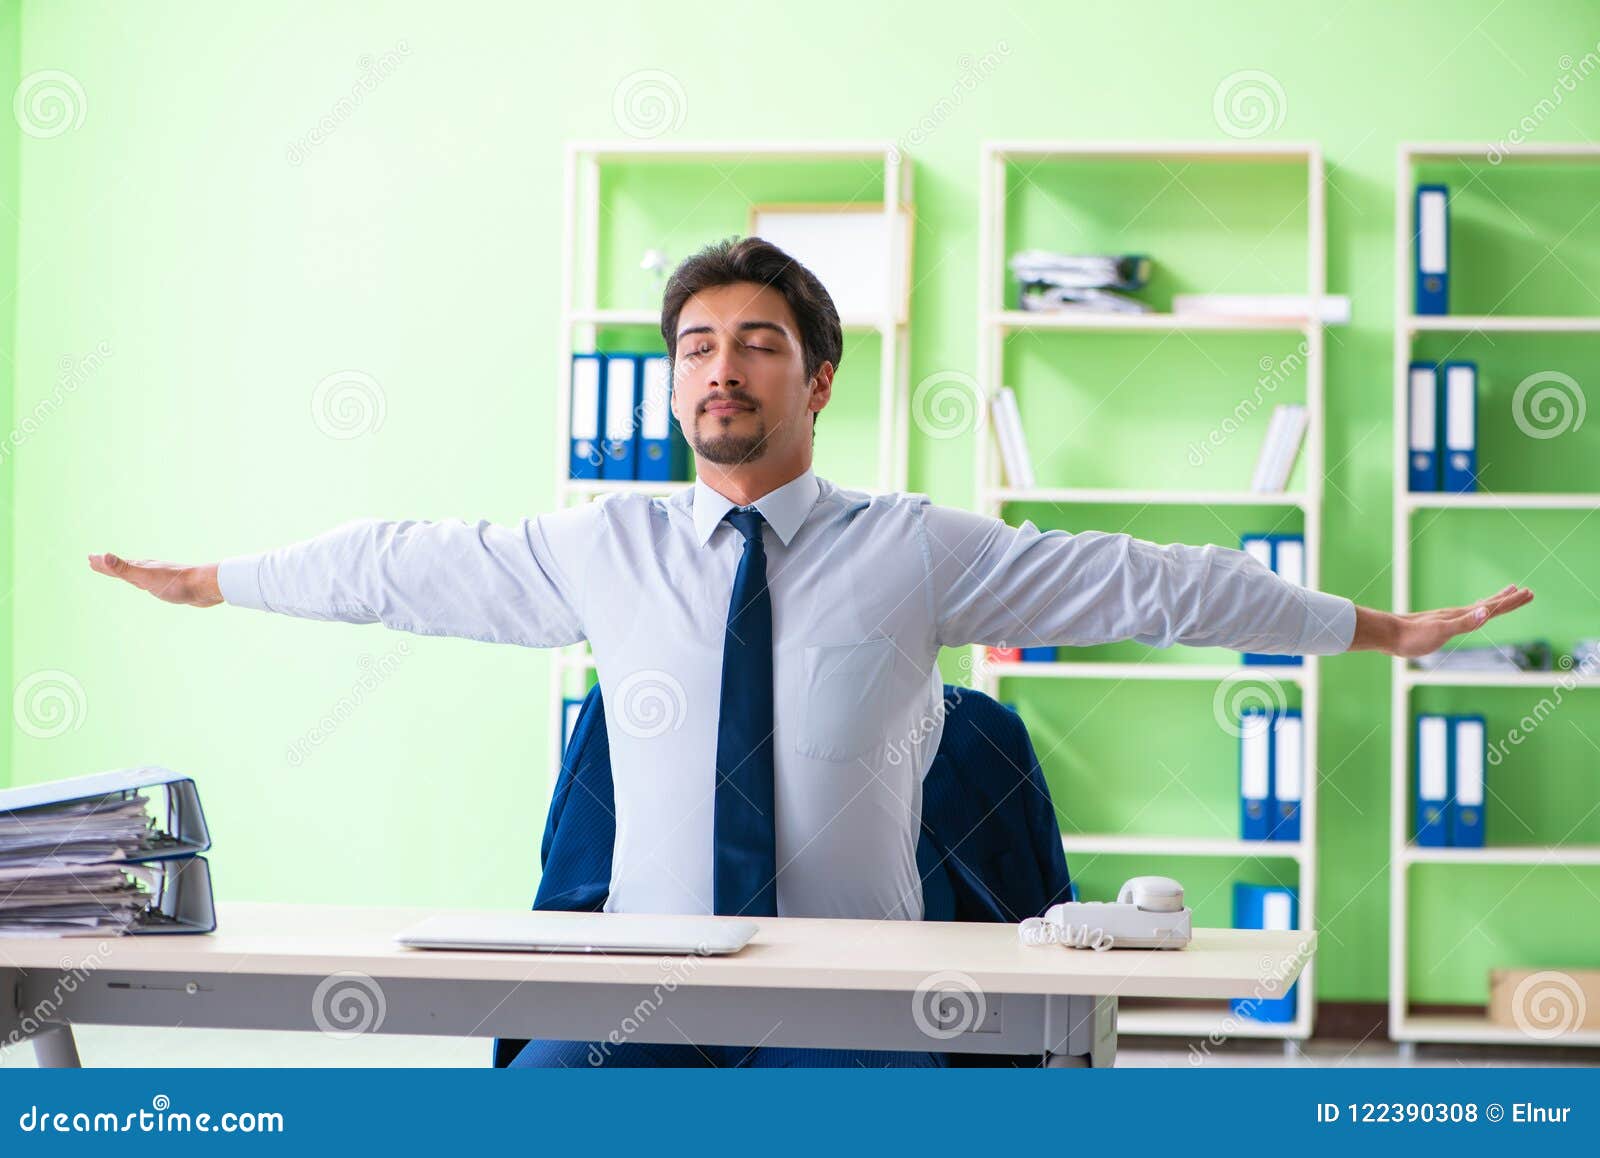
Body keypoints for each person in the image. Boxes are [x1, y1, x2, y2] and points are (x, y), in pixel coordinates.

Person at [88, 237, 1533, 1067]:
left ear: (819, 377)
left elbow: (1137, 582)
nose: (724, 364)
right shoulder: (608, 546)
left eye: (761, 341)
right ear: (672, 381)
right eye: (699, 342)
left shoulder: (913, 546)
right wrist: (219, 579)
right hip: (633, 1002)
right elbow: (402, 563)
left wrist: (1379, 628)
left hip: (858, 1002)